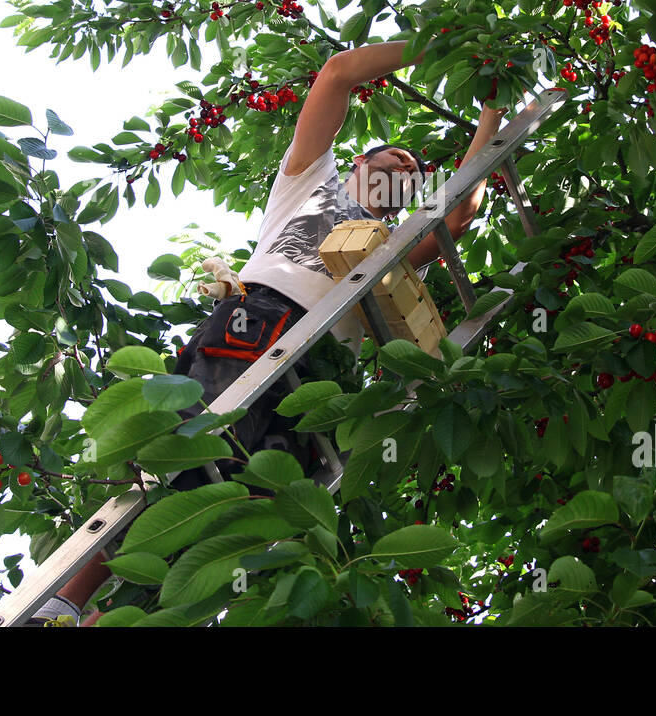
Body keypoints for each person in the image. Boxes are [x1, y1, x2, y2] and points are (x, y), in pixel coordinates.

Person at [25, 37, 510, 625]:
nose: (408, 167)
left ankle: (141, 617)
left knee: (249, 504)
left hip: (319, 365)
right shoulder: (308, 182)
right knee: (182, 453)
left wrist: (492, 108)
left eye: (415, 171)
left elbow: (458, 214)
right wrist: (443, 43)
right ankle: (65, 603)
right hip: (253, 322)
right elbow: (336, 75)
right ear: (360, 162)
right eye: (396, 157)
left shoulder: (394, 250)